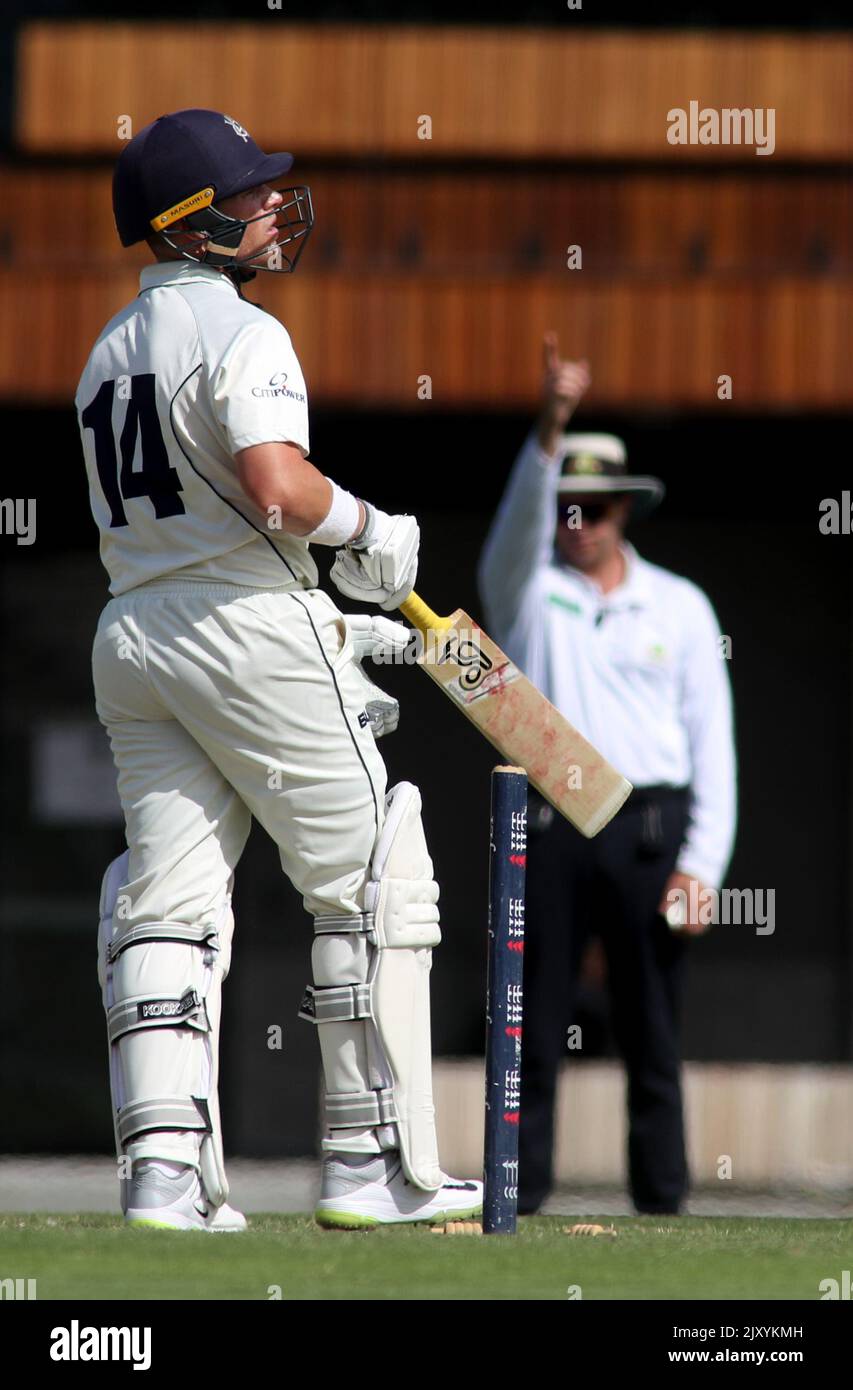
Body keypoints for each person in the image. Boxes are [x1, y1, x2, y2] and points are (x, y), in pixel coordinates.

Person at [76, 108, 482, 1232]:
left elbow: (196, 528)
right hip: (248, 621)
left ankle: (160, 1180)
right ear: (194, 223)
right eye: (249, 195)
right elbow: (272, 485)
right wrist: (365, 526)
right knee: (370, 881)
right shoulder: (243, 334)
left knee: (164, 904)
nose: (270, 208)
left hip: (134, 639)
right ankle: (370, 1166)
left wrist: (336, 617)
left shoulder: (107, 351)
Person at [477, 333, 737, 1215]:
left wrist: (703, 869)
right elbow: (513, 532)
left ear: (626, 510)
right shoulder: (526, 593)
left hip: (649, 833)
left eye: (598, 506)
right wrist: (549, 423)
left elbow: (714, 750)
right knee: (532, 1027)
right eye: (567, 505)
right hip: (549, 821)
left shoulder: (681, 605)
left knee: (652, 1031)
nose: (579, 522)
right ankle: (518, 1199)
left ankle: (663, 1206)